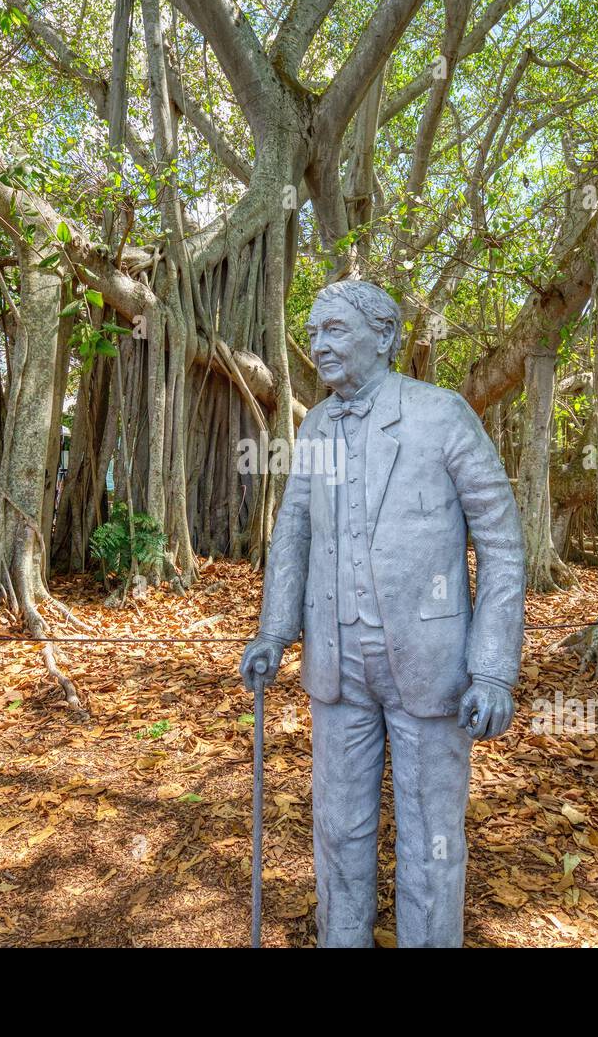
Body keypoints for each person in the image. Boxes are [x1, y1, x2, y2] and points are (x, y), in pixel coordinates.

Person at [241, 279, 526, 948]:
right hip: (338, 667)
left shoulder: (441, 415)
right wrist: (275, 631)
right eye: (312, 334)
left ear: (385, 335)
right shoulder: (315, 425)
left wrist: (492, 670)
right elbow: (294, 534)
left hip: (432, 666)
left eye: (334, 330)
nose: (318, 347)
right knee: (339, 825)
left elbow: (503, 543)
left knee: (431, 832)